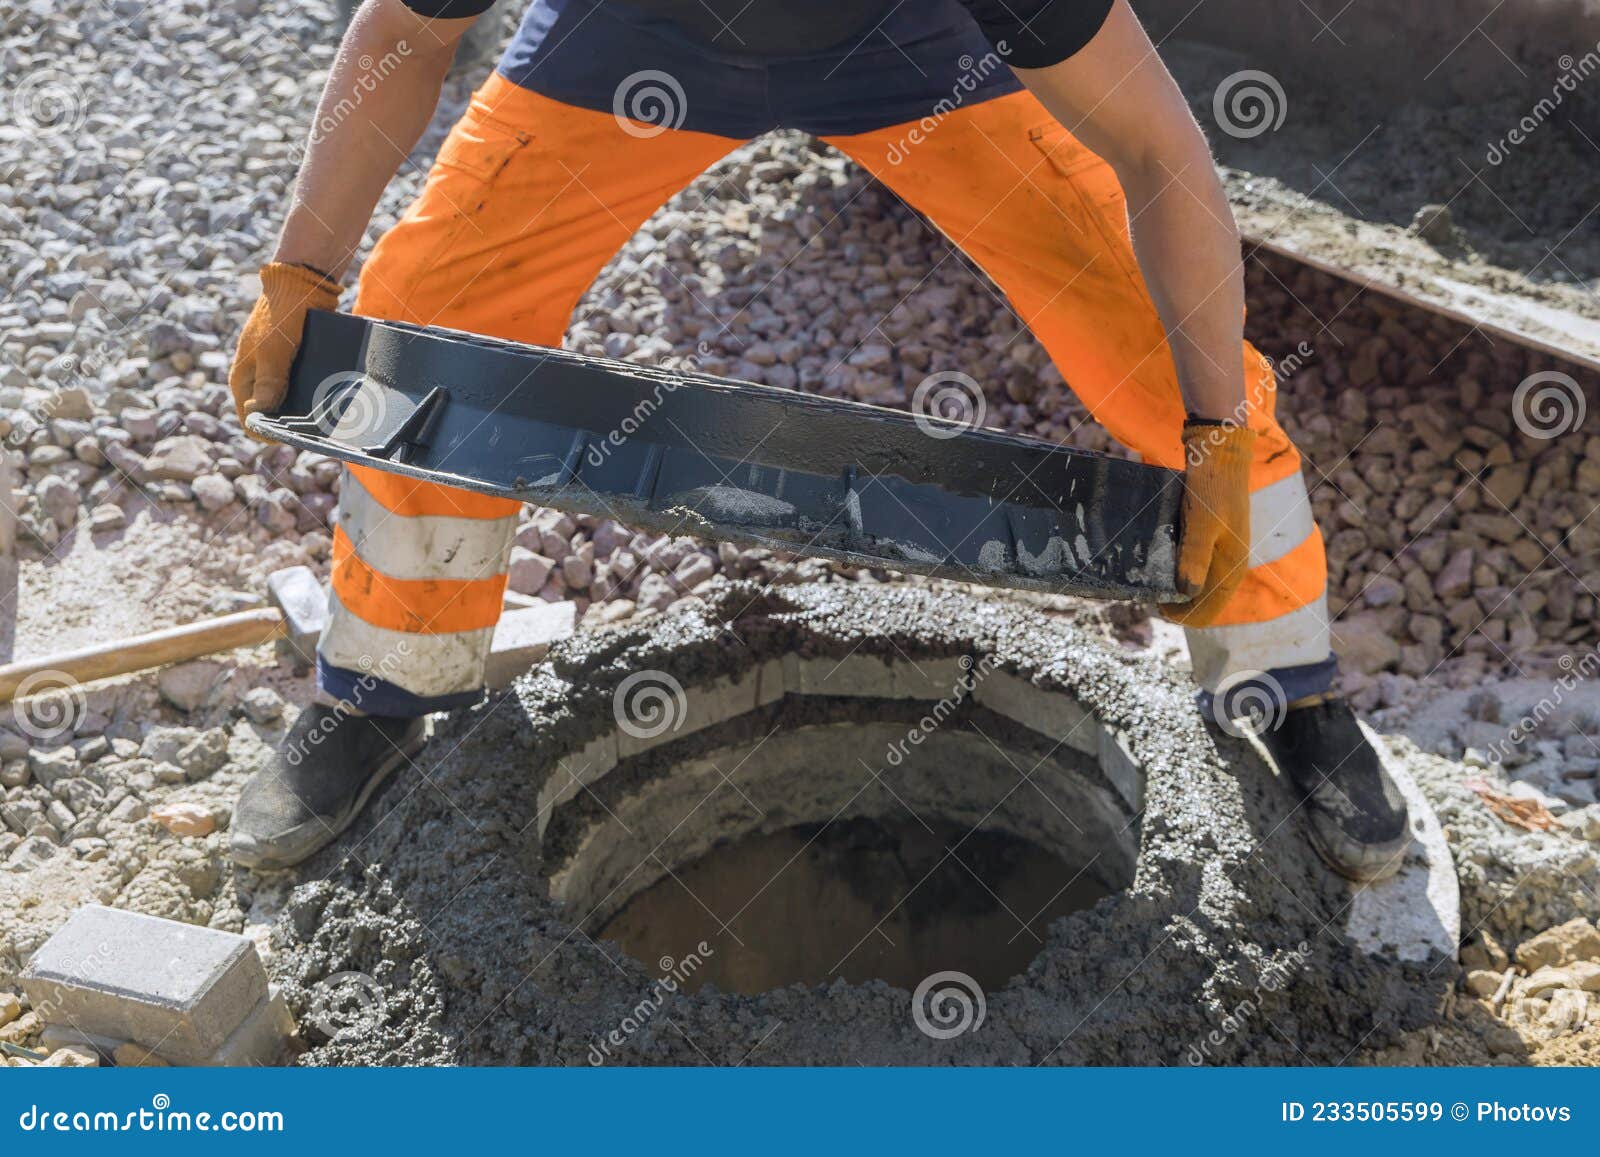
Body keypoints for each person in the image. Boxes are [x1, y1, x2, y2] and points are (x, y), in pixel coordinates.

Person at [226, 0, 1410, 880]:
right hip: (633, 34)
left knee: (1161, 346)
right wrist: (302, 271)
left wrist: (1207, 430)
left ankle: (1281, 686)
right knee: (430, 308)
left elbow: (1157, 153)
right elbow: (406, 32)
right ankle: (384, 683)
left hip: (913, 45)